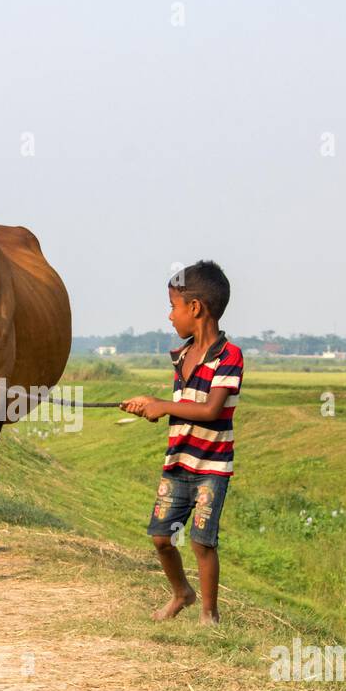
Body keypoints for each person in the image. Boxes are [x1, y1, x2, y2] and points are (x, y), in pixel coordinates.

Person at [120, 261, 243, 625]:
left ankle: (209, 613)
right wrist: (149, 404)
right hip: (177, 463)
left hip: (211, 468)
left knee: (202, 542)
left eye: (173, 306)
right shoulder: (181, 356)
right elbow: (184, 405)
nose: (169, 316)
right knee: (161, 537)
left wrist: (161, 405)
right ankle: (181, 593)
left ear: (195, 308)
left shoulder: (228, 356)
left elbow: (212, 409)